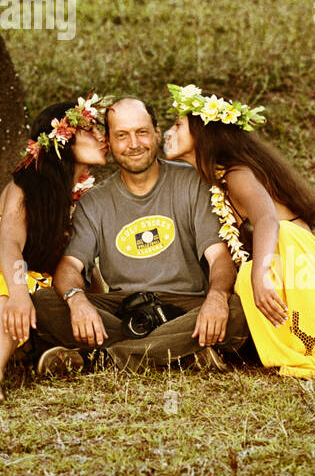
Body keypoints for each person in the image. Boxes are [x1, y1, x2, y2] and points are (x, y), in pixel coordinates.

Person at [162, 83, 315, 381]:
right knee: (246, 278)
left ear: (203, 134)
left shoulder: (237, 174)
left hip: (312, 275)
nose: (168, 132)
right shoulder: (214, 183)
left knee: (258, 266)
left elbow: (267, 219)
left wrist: (260, 274)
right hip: (293, 279)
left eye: (178, 125)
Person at [32, 97, 248, 372]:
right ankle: (182, 353)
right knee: (46, 302)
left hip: (186, 306)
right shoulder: (94, 202)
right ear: (109, 142)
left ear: (157, 133)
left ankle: (106, 358)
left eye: (142, 132)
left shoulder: (193, 182)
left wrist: (217, 297)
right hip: (124, 309)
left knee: (238, 311)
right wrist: (77, 301)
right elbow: (70, 265)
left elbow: (219, 257)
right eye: (122, 136)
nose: (134, 144)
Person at [0, 93, 109, 405]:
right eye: (91, 130)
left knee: (6, 290)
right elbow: (11, 244)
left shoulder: (86, 194)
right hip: (0, 281)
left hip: (35, 293)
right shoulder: (25, 185)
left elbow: (78, 262)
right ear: (64, 138)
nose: (102, 137)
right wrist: (17, 294)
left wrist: (94, 304)